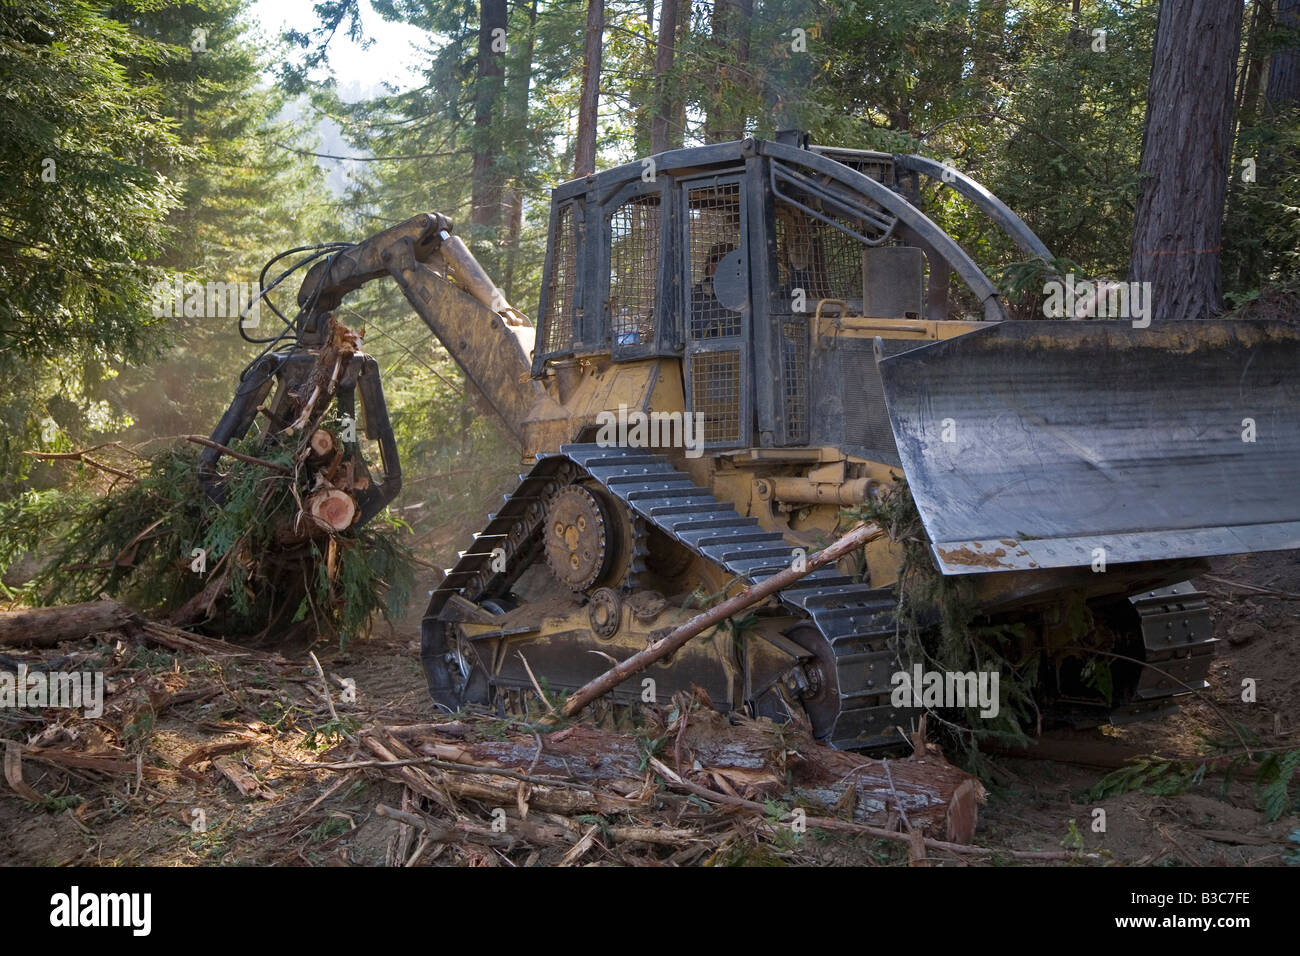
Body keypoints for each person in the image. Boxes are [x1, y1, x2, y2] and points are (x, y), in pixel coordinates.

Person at [689, 242, 735, 338]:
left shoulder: (745, 294)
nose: (711, 265)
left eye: (716, 260)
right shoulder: (694, 296)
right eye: (711, 261)